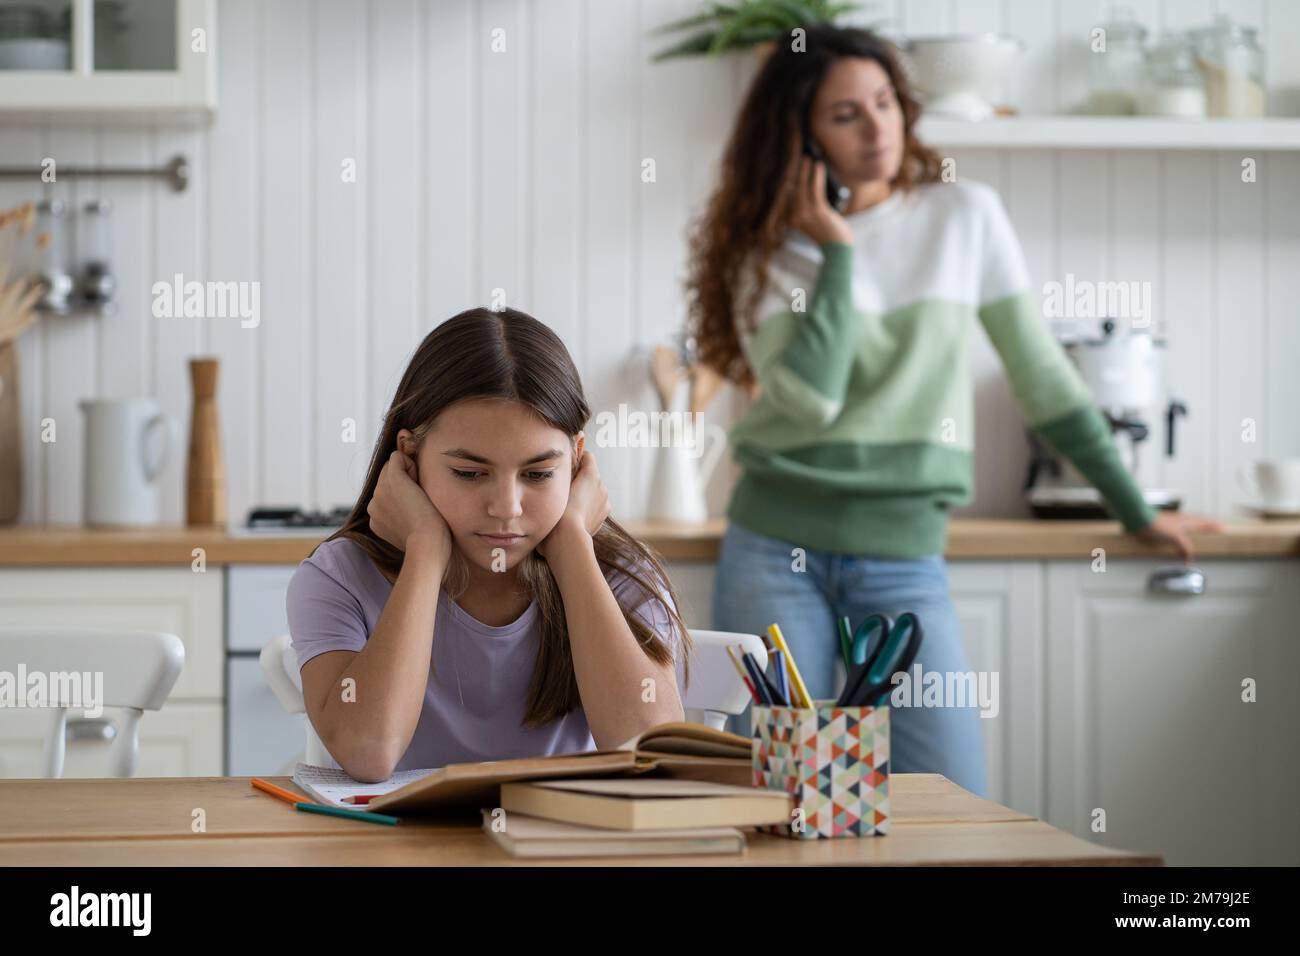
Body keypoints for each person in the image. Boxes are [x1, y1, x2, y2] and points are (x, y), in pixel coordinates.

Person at [685, 26, 1221, 796]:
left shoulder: (964, 217)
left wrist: (1134, 508)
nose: (879, 129)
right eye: (846, 115)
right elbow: (809, 400)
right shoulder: (766, 249)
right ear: (800, 137)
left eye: (885, 103)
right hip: (776, 549)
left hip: (903, 555)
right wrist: (837, 253)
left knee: (950, 797)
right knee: (786, 800)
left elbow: (1042, 375)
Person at [286, 307, 691, 783]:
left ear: (577, 462)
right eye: (470, 474)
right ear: (410, 459)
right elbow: (368, 752)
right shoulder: (338, 577)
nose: (506, 507)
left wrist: (572, 547)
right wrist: (425, 551)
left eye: (538, 474)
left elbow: (651, 753)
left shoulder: (621, 574)